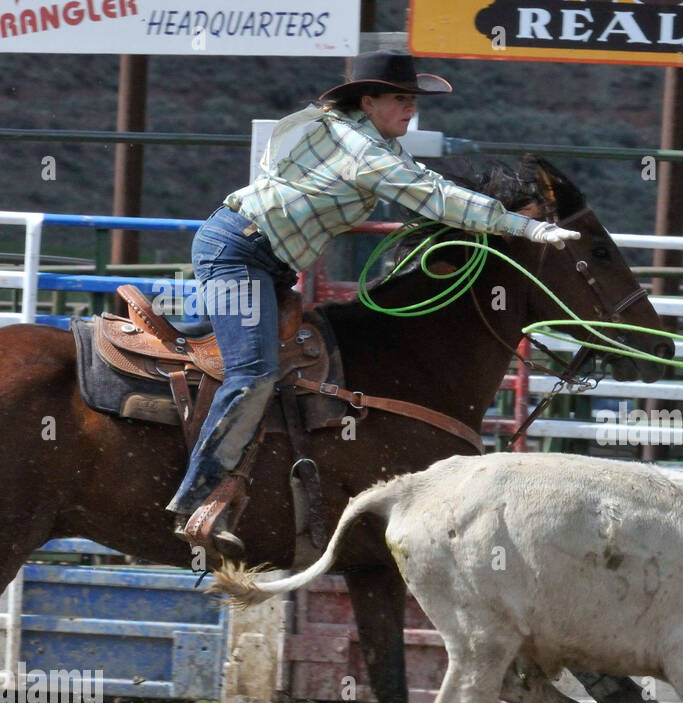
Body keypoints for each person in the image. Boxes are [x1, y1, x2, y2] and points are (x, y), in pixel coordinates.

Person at [169, 50, 578, 556]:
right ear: (369, 100)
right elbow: (435, 196)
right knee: (253, 372)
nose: (410, 108)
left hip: (260, 258)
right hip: (240, 254)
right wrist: (526, 227)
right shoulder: (363, 149)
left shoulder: (357, 138)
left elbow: (428, 187)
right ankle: (198, 497)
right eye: (400, 98)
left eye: (412, 99)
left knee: (260, 361)